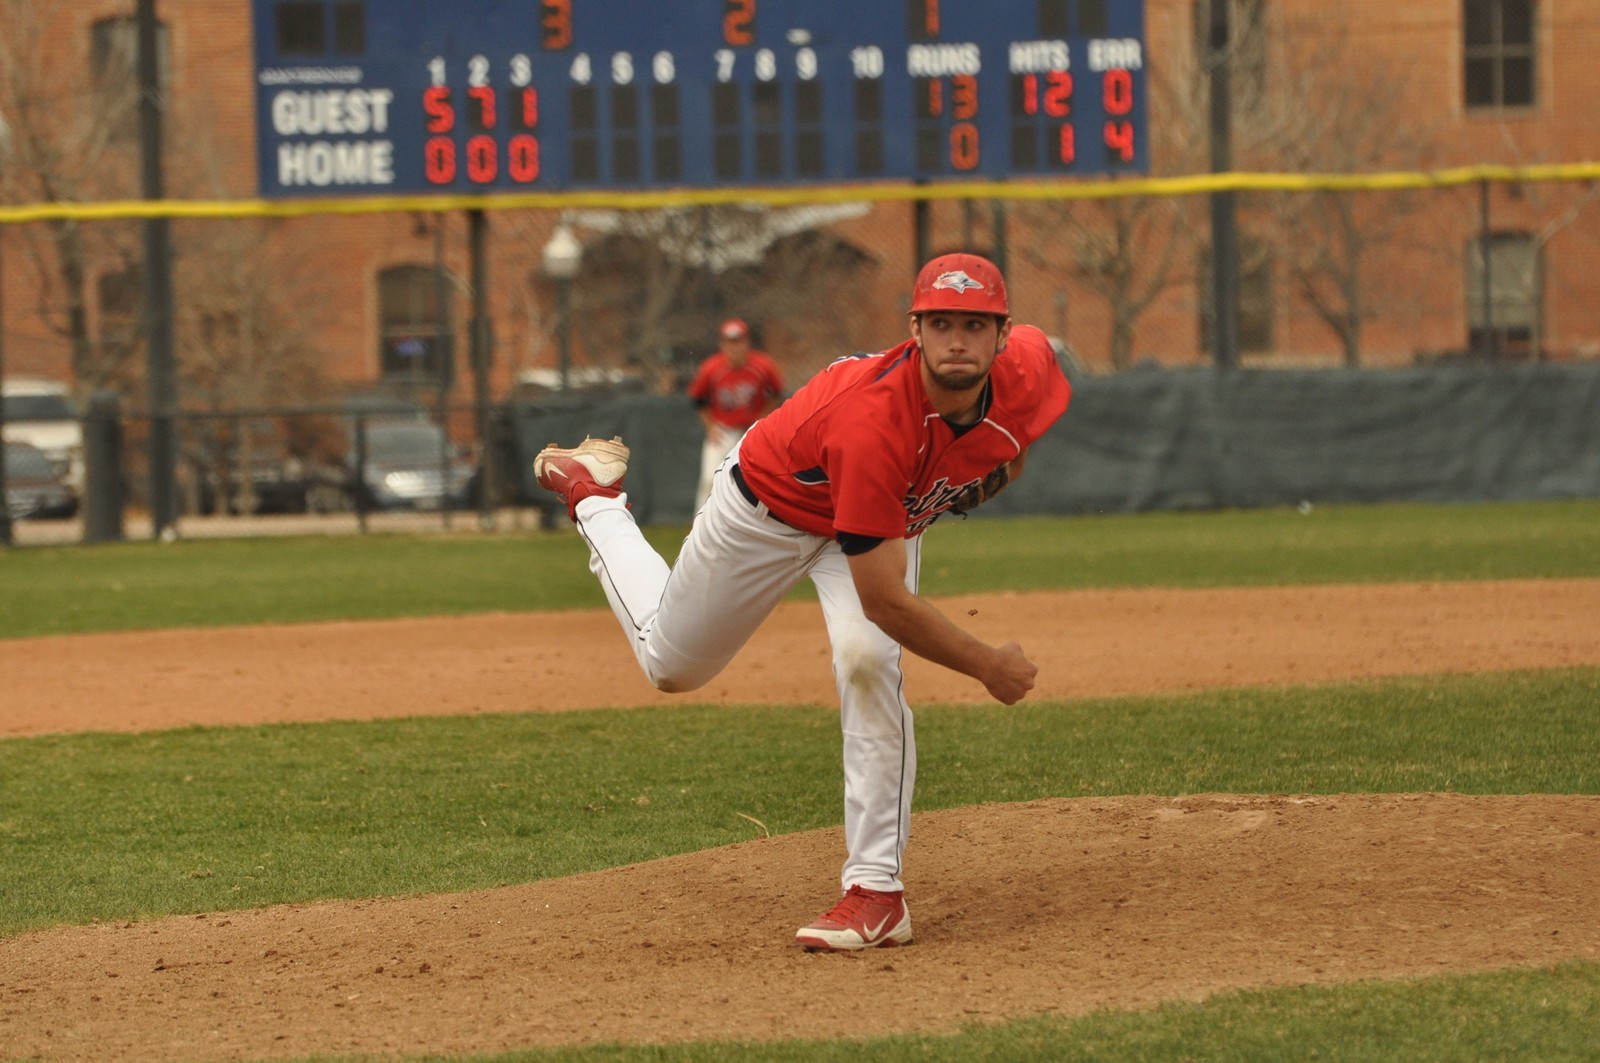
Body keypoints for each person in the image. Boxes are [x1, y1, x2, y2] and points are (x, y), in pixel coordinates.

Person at [533, 253, 1071, 952]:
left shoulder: (1026, 370)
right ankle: (596, 498)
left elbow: (1014, 430)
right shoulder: (876, 421)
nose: (958, 340)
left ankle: (877, 890)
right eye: (941, 323)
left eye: (976, 324)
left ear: (1003, 335)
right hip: (765, 508)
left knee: (865, 664)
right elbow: (885, 600)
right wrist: (987, 664)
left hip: (871, 523)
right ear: (915, 329)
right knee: (671, 664)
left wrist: (1004, 457)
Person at [685, 318, 785, 509]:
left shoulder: (762, 365)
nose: (734, 348)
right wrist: (711, 427)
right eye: (730, 343)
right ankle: (701, 525)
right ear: (722, 345)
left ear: (747, 343)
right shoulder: (712, 368)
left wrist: (763, 417)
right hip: (724, 429)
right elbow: (697, 399)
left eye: (738, 342)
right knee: (709, 478)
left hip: (753, 429)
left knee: (761, 477)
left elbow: (776, 392)